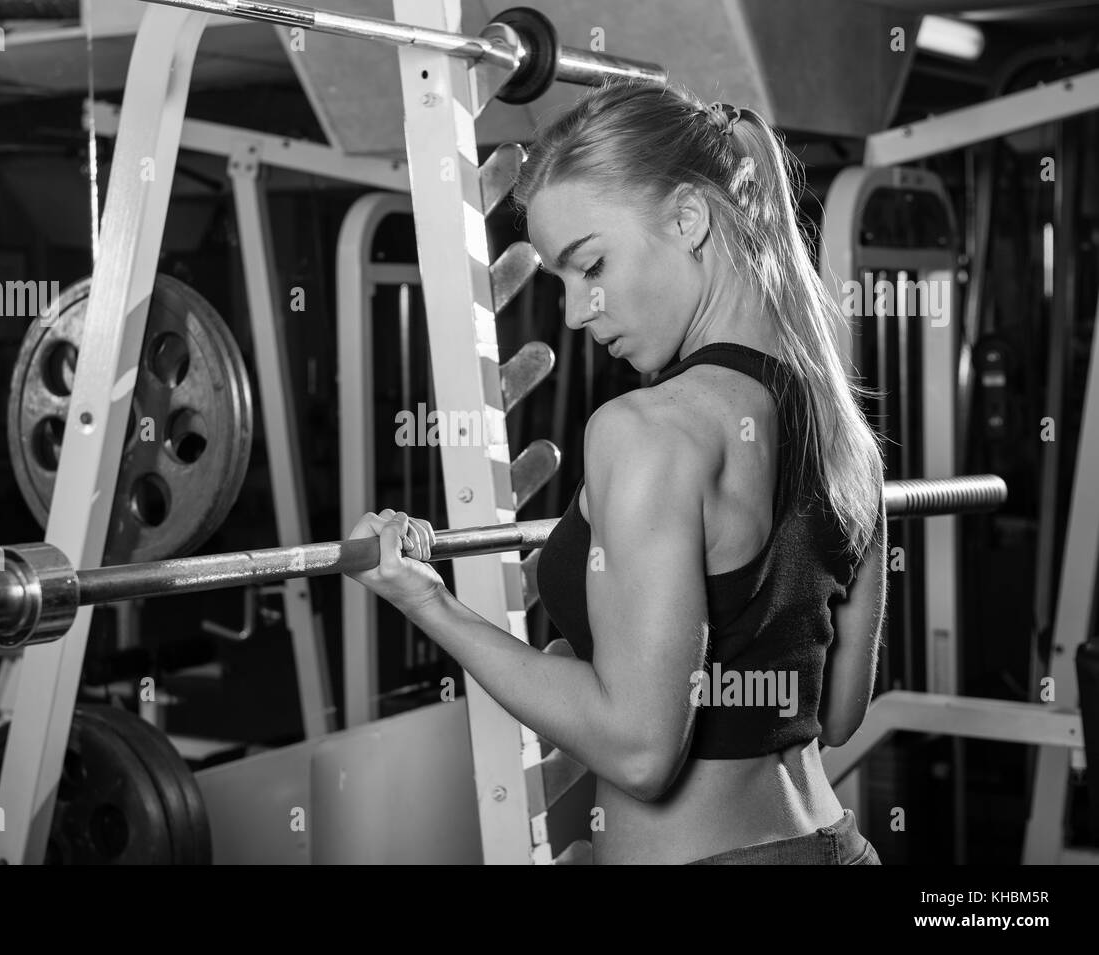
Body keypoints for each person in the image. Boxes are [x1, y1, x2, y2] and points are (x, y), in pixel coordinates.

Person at [344, 80, 888, 865]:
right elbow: (836, 713)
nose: (573, 311)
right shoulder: (845, 431)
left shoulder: (647, 429)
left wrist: (425, 600)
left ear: (689, 218)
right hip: (832, 843)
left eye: (589, 263)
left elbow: (639, 751)